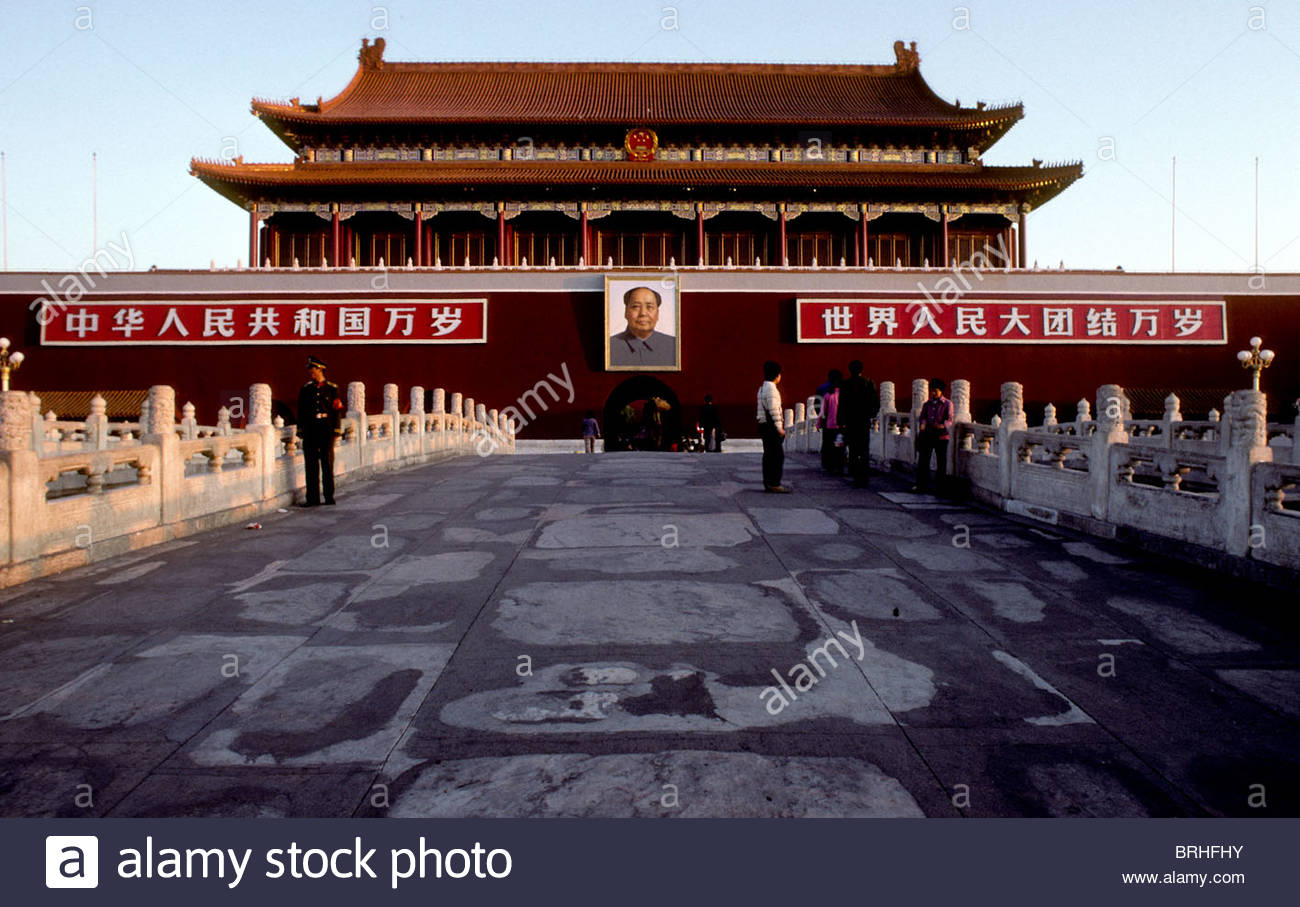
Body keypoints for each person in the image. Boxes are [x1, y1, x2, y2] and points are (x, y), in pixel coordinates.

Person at [296, 355, 343, 506]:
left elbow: (336, 411)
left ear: (320, 369)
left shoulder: (332, 389)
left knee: (327, 464)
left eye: (313, 369)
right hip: (310, 429)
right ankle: (313, 498)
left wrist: (336, 430)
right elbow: (301, 411)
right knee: (311, 465)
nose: (311, 372)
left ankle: (329, 497)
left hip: (325, 429)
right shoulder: (306, 389)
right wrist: (300, 429)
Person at [609, 286, 676, 367]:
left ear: (657, 314)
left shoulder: (674, 345)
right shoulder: (609, 346)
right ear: (626, 312)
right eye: (636, 307)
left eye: (650, 307)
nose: (643, 313)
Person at [838, 359, 879, 488]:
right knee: (864, 449)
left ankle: (856, 476)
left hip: (850, 421)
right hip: (863, 421)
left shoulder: (845, 384)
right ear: (862, 370)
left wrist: (841, 421)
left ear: (850, 370)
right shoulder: (869, 383)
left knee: (853, 449)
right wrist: (871, 415)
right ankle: (864, 476)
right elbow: (875, 403)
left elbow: (842, 404)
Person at [914, 379, 954, 495]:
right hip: (928, 434)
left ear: (941, 391)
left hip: (941, 436)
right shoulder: (927, 404)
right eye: (932, 391)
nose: (933, 393)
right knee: (923, 460)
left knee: (941, 462)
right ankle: (921, 486)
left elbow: (950, 420)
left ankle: (940, 488)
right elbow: (922, 417)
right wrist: (923, 423)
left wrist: (942, 425)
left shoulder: (947, 404)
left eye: (935, 391)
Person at [756, 360, 790, 493]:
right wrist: (779, 427)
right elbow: (774, 410)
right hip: (770, 426)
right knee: (777, 455)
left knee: (769, 455)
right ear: (777, 375)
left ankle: (768, 483)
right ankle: (774, 483)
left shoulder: (762, 388)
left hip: (763, 425)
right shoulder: (771, 390)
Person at [818, 369, 844, 474]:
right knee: (839, 446)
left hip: (829, 425)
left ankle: (828, 466)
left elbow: (822, 411)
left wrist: (819, 423)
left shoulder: (826, 394)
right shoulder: (844, 394)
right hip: (841, 426)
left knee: (828, 445)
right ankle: (839, 466)